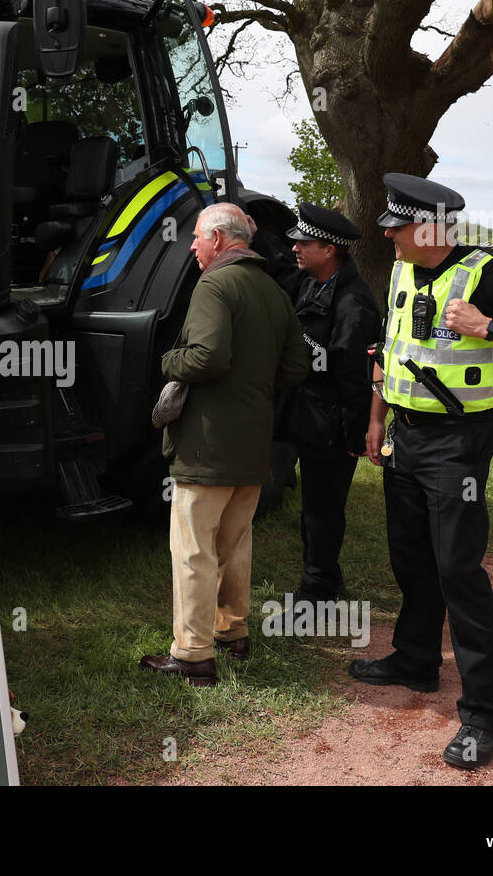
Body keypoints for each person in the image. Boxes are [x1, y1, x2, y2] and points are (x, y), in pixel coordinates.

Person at [352, 173, 493, 769]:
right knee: (409, 555)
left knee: (458, 570)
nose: (388, 237)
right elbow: (391, 351)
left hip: (458, 444)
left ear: (428, 228)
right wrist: (376, 421)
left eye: (397, 227)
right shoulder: (402, 270)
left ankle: (484, 716)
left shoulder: (486, 273)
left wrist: (489, 327)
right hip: (404, 432)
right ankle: (416, 658)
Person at [140, 203, 310, 686]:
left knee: (193, 550)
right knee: (234, 543)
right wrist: (253, 385)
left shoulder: (214, 284)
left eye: (196, 237)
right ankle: (233, 632)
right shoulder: (274, 290)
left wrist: (169, 360)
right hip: (256, 443)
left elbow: (207, 356)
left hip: (207, 446)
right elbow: (296, 368)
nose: (191, 245)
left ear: (218, 239)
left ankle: (192, 654)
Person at [279, 203, 381, 604]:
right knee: (313, 507)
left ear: (329, 249)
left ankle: (318, 591)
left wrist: (355, 436)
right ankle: (326, 579)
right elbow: (277, 268)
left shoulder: (353, 305)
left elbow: (357, 380)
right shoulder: (312, 282)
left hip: (334, 427)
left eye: (304, 242)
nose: (295, 249)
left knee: (323, 510)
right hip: (311, 416)